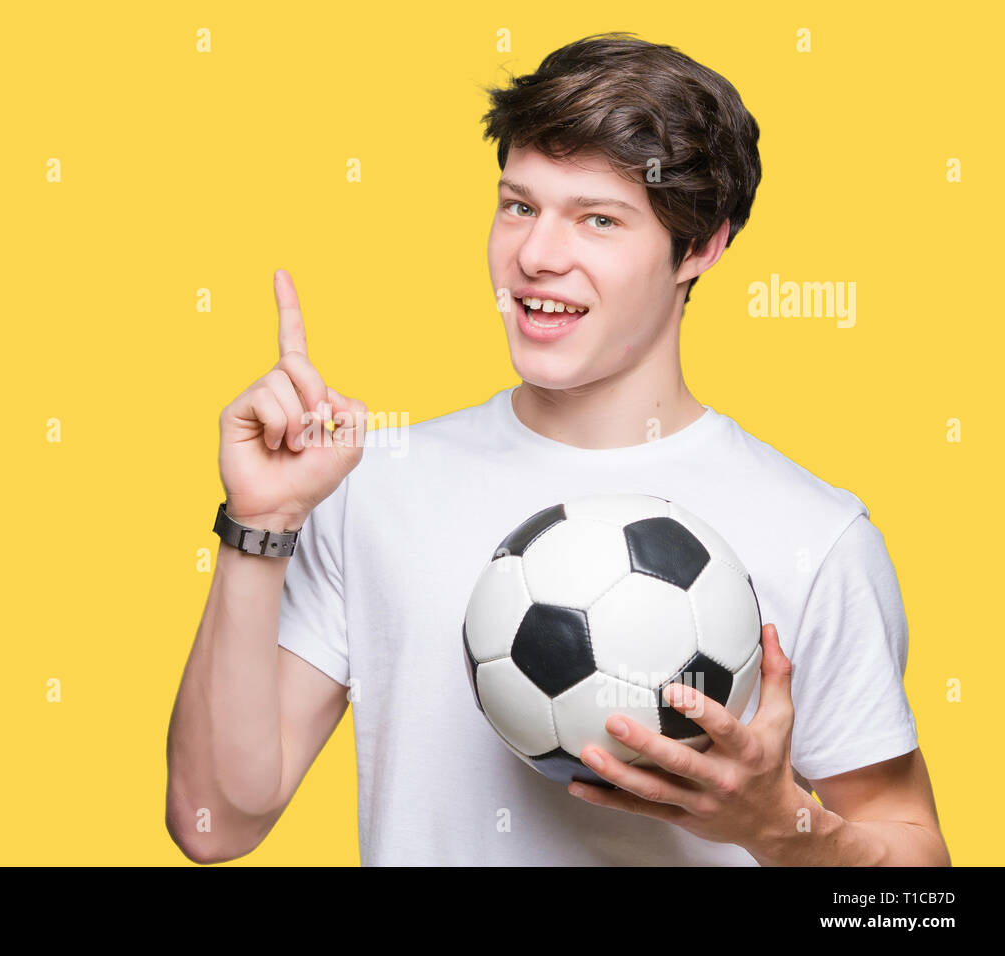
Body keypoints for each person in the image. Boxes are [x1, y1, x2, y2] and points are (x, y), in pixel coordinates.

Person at [165, 32, 951, 866]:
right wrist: (262, 526)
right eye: (519, 205)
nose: (536, 257)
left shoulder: (817, 535)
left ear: (701, 248)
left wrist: (776, 824)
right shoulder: (372, 488)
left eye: (598, 219)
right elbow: (215, 821)